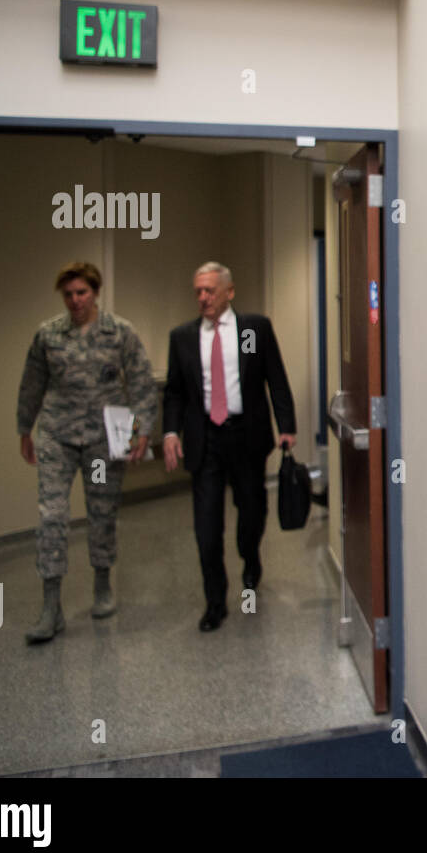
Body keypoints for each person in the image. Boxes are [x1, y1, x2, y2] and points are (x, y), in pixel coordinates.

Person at [16, 262, 158, 643]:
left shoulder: (120, 332)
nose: (75, 301)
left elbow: (141, 381)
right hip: (57, 438)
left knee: (101, 511)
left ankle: (102, 583)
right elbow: (32, 383)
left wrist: (142, 431)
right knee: (52, 515)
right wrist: (24, 428)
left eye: (81, 293)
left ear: (95, 292)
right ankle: (51, 607)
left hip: (101, 441)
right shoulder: (48, 334)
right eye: (68, 295)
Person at [162, 262, 296, 632]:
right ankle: (215, 602)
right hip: (205, 440)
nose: (203, 298)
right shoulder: (183, 337)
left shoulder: (254, 328)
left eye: (210, 290)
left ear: (229, 292)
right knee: (206, 528)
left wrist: (287, 426)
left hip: (246, 436)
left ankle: (250, 560)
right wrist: (170, 432)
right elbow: (174, 392)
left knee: (251, 513)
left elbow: (275, 378)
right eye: (198, 292)